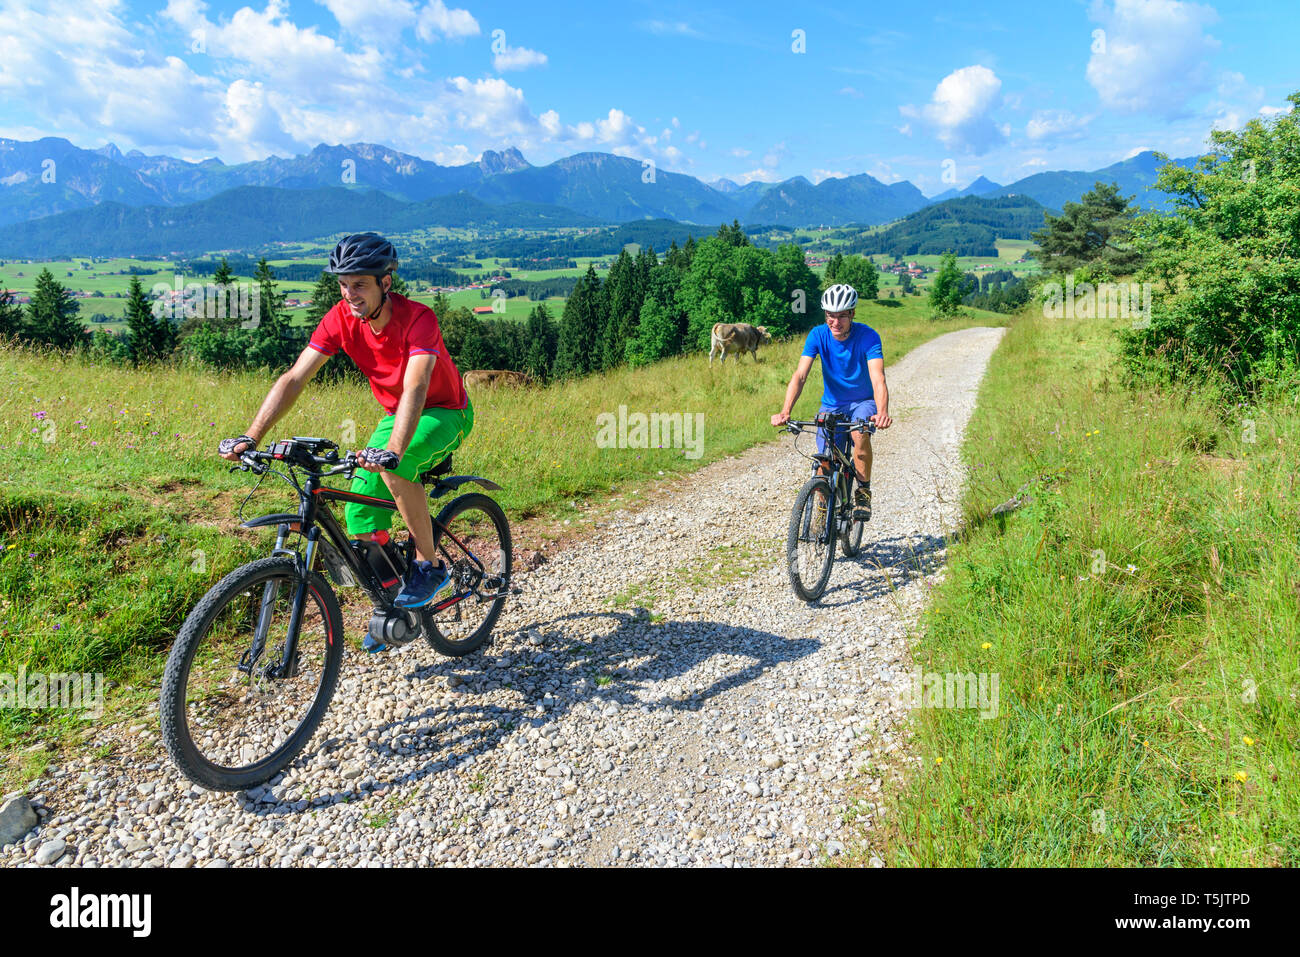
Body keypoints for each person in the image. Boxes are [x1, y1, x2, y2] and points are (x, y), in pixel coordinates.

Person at [217, 233, 473, 648]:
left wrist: (393, 451)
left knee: (400, 467)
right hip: (397, 418)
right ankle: (393, 607)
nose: (349, 294)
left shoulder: (419, 318)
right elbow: (295, 378)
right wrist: (251, 436)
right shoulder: (339, 319)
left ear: (385, 283)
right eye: (343, 284)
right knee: (358, 518)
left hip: (444, 411)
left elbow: (416, 386)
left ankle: (428, 566)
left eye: (360, 285)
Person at [770, 283, 893, 519]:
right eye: (830, 316)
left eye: (842, 317)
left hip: (862, 401)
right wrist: (786, 410)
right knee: (824, 459)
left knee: (860, 434)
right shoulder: (818, 335)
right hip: (832, 404)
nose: (835, 323)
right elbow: (800, 375)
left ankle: (863, 492)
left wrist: (883, 411)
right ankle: (823, 509)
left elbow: (878, 378)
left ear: (852, 314)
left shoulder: (868, 336)